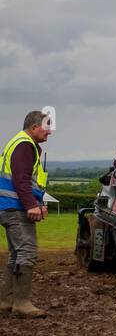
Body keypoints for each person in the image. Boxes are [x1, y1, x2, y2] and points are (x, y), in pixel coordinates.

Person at [0, 110, 53, 318]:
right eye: (46, 127)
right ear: (33, 127)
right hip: (15, 208)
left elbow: (29, 182)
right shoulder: (24, 145)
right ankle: (21, 303)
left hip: (8, 206)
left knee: (16, 254)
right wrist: (31, 205)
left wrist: (39, 203)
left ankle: (5, 300)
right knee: (27, 252)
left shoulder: (21, 143)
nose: (49, 132)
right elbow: (20, 180)